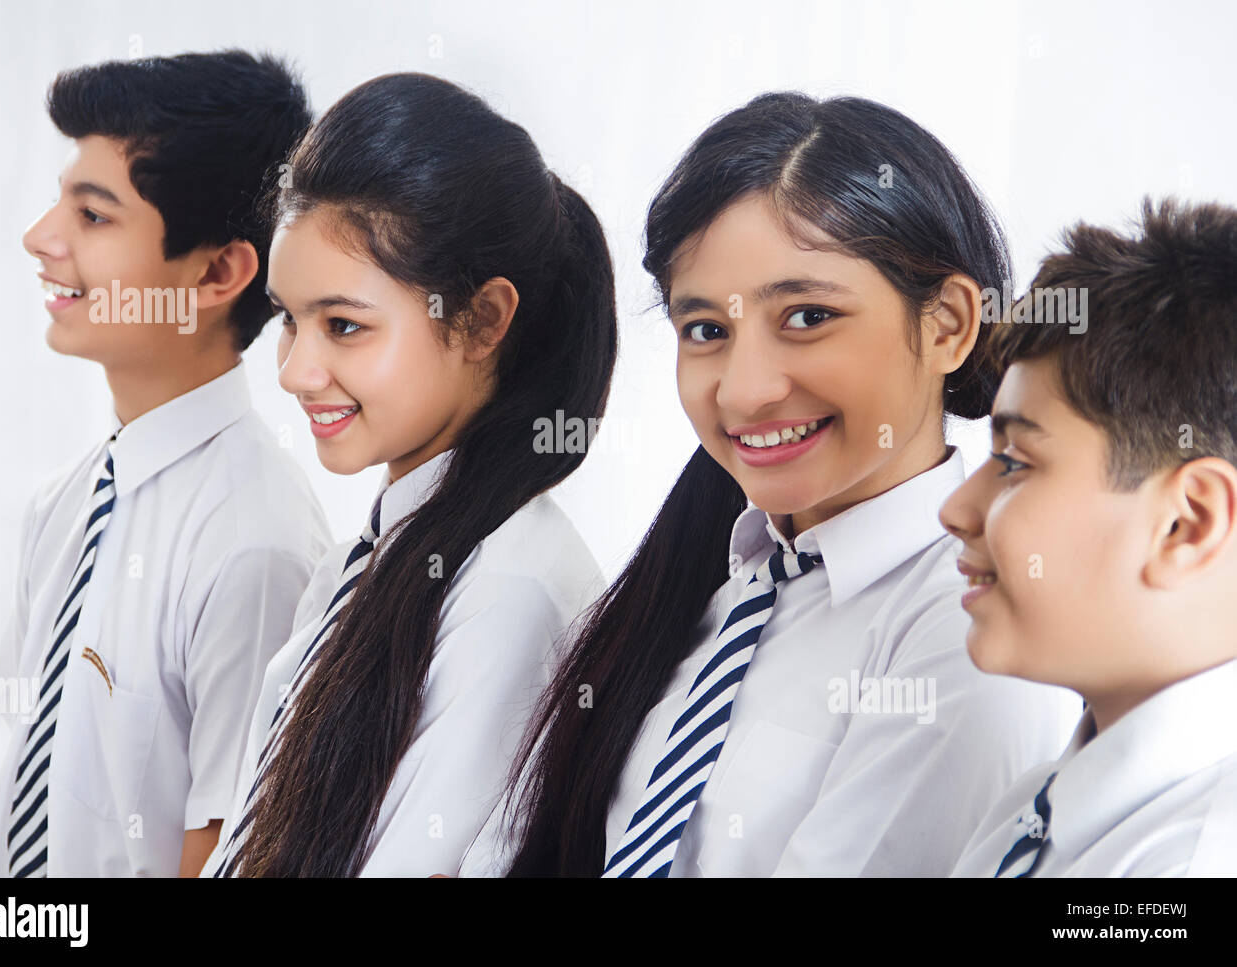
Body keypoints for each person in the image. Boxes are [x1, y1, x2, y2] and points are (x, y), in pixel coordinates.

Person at [461, 91, 1082, 877]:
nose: (745, 390)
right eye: (707, 332)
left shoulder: (966, 633)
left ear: (949, 324)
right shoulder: (720, 580)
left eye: (807, 317)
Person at [202, 72, 617, 877]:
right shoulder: (367, 560)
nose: (293, 370)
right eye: (290, 319)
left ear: (483, 319)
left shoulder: (509, 591)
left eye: (345, 325)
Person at [0, 50, 331, 877]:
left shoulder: (257, 547)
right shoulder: (63, 504)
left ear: (217, 271)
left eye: (93, 216)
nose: (40, 239)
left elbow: (230, 854)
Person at [946, 199, 1237, 877]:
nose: (956, 507)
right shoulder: (1029, 812)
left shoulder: (1196, 864)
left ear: (1186, 522)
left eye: (1015, 463)